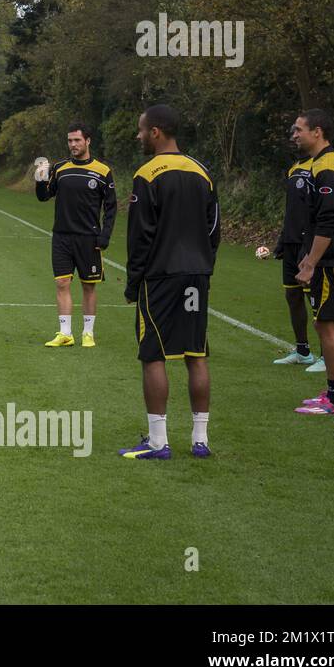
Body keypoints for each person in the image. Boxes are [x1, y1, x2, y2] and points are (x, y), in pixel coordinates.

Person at [119, 105, 219, 460]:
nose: (138, 136)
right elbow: (213, 228)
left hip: (160, 277)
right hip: (197, 275)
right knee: (196, 353)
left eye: (141, 130)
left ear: (156, 132)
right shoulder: (202, 171)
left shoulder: (147, 174)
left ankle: (158, 442)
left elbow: (140, 236)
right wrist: (204, 264)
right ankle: (200, 439)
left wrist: (134, 283)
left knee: (153, 354)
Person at [290, 109, 334, 416]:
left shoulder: (329, 166)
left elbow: (329, 220)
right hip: (330, 258)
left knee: (327, 326)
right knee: (322, 323)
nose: (295, 135)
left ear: (317, 132)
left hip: (333, 261)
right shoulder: (327, 163)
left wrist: (310, 263)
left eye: (299, 129)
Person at [34, 122, 117, 347]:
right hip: (61, 236)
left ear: (88, 141)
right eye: (70, 141)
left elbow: (111, 207)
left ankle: (88, 333)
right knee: (62, 283)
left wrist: (105, 236)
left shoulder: (102, 171)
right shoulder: (60, 168)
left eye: (77, 140)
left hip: (89, 238)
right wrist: (40, 179)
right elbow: (43, 196)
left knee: (88, 286)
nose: (73, 144)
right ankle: (65, 333)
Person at [270, 135, 316, 365]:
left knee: (315, 299)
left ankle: (328, 356)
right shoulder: (293, 169)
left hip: (310, 244)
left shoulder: (322, 167)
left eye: (297, 134)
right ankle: (303, 351)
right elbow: (292, 210)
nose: (293, 139)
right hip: (291, 242)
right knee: (292, 295)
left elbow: (321, 213)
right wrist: (283, 240)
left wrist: (309, 245)